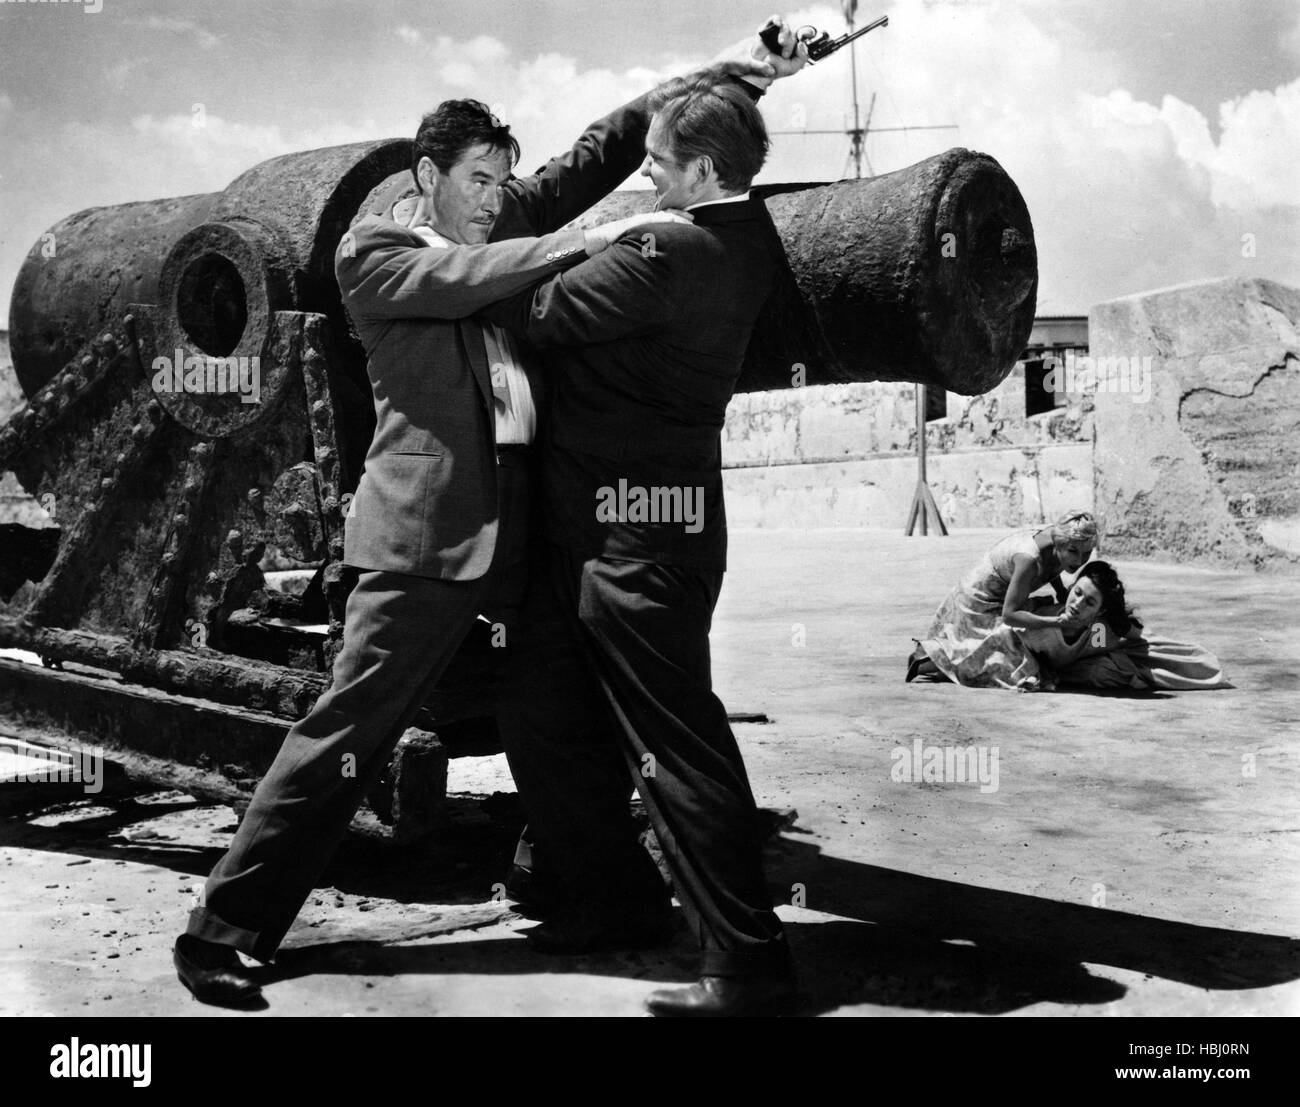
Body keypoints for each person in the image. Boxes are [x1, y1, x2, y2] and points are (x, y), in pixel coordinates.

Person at [171, 24, 807, 1008]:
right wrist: (581, 240)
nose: (490, 198)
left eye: (501, 181)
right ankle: (226, 929)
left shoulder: (494, 223)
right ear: (426, 175)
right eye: (474, 179)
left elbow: (604, 148)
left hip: (518, 543)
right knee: (349, 733)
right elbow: (469, 284)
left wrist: (748, 66)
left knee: (547, 712)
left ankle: (607, 895)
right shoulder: (376, 250)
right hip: (422, 543)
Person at [478, 61, 814, 1017]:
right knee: (541, 708)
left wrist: (586, 236)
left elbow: (520, 306)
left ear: (705, 172)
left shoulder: (662, 256)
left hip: (634, 545)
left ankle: (749, 962)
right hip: (608, 535)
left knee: (676, 747)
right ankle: (612, 899)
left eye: (661, 166)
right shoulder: (733, 239)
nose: (649, 179)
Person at [906, 509, 1100, 690]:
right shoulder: (1029, 559)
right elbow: (1010, 615)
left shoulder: (1059, 537)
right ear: (1059, 543)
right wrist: (1056, 622)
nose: (1080, 561)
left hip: (1004, 596)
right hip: (978, 603)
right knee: (1016, 661)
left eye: (1087, 553)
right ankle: (929, 660)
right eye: (1074, 551)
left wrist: (1060, 591)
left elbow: (1053, 564)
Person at [1019, 561, 1228, 691]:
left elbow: (1114, 641)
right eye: (1078, 592)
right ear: (1071, 587)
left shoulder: (1098, 629)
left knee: (1118, 663)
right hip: (1038, 665)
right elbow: (1012, 639)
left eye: (1090, 602)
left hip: (1076, 665)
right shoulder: (1041, 625)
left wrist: (1121, 629)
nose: (1077, 604)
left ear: (1100, 610)